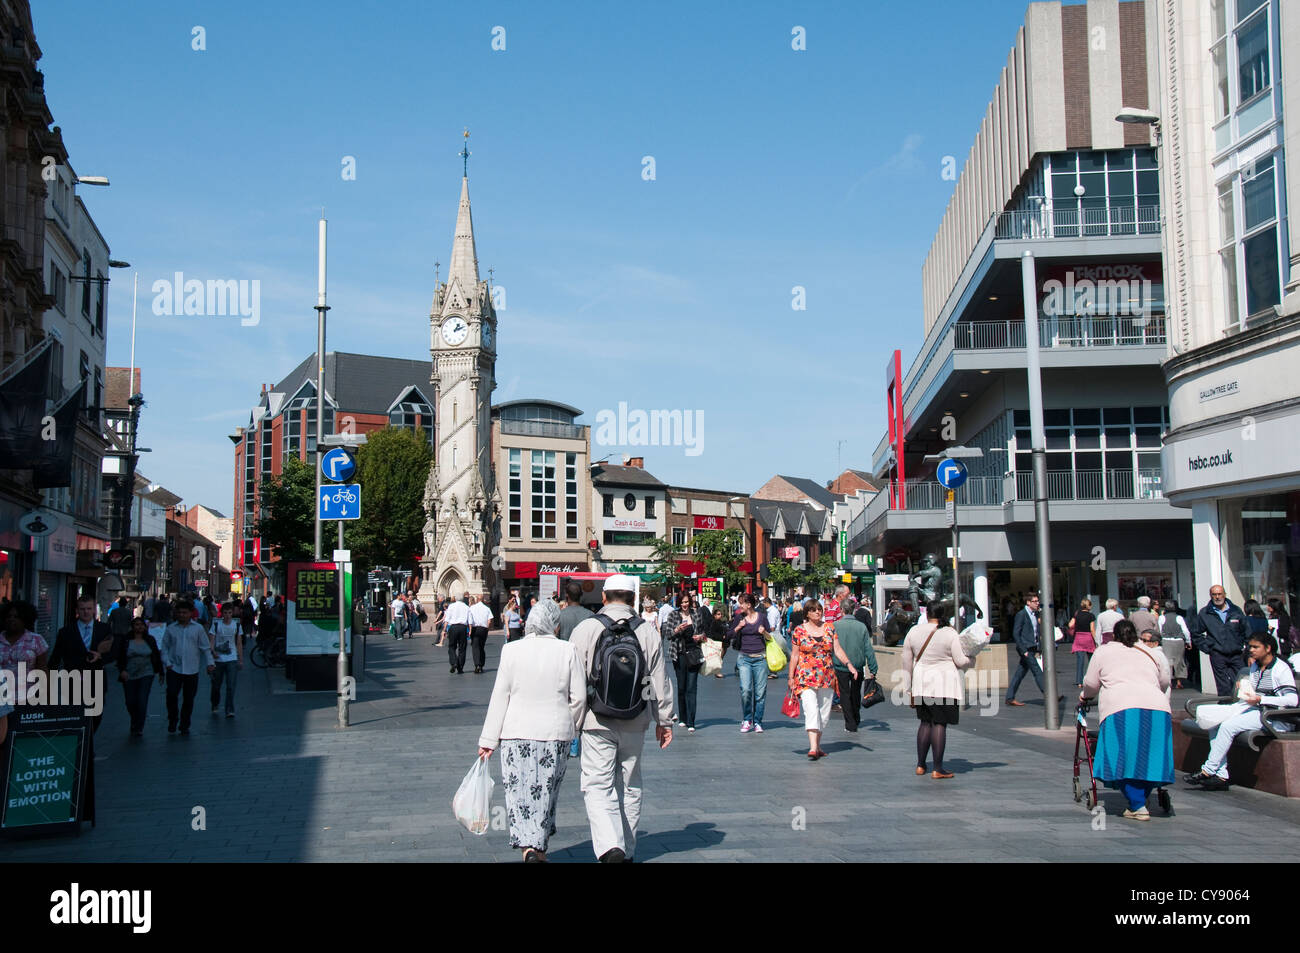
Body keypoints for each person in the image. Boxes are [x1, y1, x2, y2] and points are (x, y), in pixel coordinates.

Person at [569, 575, 676, 863]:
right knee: (631, 782)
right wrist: (664, 720)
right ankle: (627, 849)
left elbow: (576, 684)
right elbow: (659, 680)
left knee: (597, 783)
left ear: (603, 597)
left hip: (596, 719)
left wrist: (573, 723)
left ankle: (609, 846)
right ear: (632, 600)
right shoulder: (647, 631)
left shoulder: (586, 629)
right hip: (635, 717)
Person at [476, 598, 586, 862]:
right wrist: (572, 725)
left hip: (515, 733)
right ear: (554, 625)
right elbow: (579, 697)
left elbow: (500, 696)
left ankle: (527, 846)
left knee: (519, 791)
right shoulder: (567, 650)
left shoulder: (511, 651)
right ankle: (540, 848)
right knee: (546, 790)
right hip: (554, 733)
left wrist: (488, 739)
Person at [1080, 619, 1173, 820]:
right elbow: (1164, 680)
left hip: (1120, 707)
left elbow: (1090, 683)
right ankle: (1141, 798)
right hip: (1157, 706)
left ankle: (1138, 804)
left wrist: (1085, 696)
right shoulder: (1148, 652)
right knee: (1150, 756)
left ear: (1114, 635)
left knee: (1118, 755)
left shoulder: (1104, 652)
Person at [1185, 629, 1298, 791]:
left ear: (1268, 648)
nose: (1251, 650)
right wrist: (1245, 688)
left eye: (1255, 647)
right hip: (1255, 711)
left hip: (1274, 717)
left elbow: (1292, 700)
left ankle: (1208, 770)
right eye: (1250, 646)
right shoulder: (1255, 667)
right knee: (1214, 723)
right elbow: (1253, 692)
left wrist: (1261, 699)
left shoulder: (1281, 669)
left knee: (1228, 726)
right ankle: (1221, 775)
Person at [901, 599, 974, 778]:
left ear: (927, 614)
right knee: (939, 723)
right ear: (943, 614)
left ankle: (920, 764)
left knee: (925, 722)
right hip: (944, 684)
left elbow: (906, 660)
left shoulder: (914, 631)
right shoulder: (950, 633)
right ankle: (938, 767)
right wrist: (971, 659)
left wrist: (907, 686)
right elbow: (960, 661)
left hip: (921, 682)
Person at [787, 598, 852, 759]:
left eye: (820, 609)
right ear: (807, 613)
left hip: (826, 676)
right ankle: (813, 747)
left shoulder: (829, 629)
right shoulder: (799, 631)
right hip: (805, 675)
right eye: (814, 610)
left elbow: (837, 649)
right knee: (811, 709)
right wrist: (790, 677)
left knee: (824, 713)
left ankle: (817, 744)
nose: (818, 612)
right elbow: (794, 655)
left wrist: (849, 664)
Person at [161, 600, 216, 735]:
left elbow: (205, 647)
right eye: (179, 612)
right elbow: (164, 648)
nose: (182, 615)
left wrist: (210, 663)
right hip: (174, 668)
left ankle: (185, 723)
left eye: (185, 612)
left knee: (189, 698)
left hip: (192, 669)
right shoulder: (171, 629)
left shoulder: (197, 629)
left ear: (191, 613)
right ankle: (173, 719)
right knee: (172, 694)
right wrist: (167, 662)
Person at [1188, 585, 1249, 697]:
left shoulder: (1235, 610)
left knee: (1242, 681)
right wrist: (1208, 648)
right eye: (1214, 594)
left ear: (1224, 595)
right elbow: (1196, 633)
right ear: (1210, 596)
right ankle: (1225, 706)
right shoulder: (1205, 613)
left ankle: (1242, 705)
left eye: (1219, 594)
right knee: (1223, 684)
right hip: (1218, 653)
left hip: (1236, 653)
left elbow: (1246, 631)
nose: (1217, 597)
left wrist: (1246, 648)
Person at [728, 592, 773, 732]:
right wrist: (738, 627)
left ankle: (758, 721)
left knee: (760, 693)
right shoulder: (739, 618)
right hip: (744, 658)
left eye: (742, 603)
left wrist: (764, 632)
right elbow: (728, 635)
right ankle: (747, 719)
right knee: (746, 690)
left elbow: (770, 637)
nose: (739, 605)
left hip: (760, 658)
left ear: (749, 604)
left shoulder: (762, 618)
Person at [832, 595, 878, 732]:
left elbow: (830, 647)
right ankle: (856, 717)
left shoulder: (835, 626)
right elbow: (868, 648)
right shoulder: (861, 627)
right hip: (857, 665)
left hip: (840, 665)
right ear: (854, 610)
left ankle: (849, 722)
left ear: (841, 610)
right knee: (856, 692)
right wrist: (873, 667)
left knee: (844, 694)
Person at [115, 616, 164, 737]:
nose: (139, 627)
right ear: (132, 627)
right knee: (130, 701)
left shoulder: (150, 640)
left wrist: (161, 672)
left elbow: (156, 656)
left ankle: (139, 726)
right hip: (129, 673)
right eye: (136, 625)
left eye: (141, 625)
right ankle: (135, 719)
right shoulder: (126, 640)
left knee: (142, 700)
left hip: (147, 672)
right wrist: (122, 670)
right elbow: (120, 656)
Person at [664, 592, 706, 732]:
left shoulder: (696, 614)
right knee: (681, 687)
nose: (685, 605)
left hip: (693, 653)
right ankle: (683, 717)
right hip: (679, 653)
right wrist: (677, 629)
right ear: (678, 603)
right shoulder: (673, 615)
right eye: (682, 602)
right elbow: (668, 634)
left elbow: (703, 632)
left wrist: (700, 636)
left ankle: (691, 721)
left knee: (691, 687)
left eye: (687, 602)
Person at [1006, 592, 1051, 707]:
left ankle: (1009, 697)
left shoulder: (1035, 614)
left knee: (1019, 673)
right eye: (1035, 601)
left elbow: (1036, 632)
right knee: (1037, 671)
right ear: (1028, 602)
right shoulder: (1021, 614)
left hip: (1033, 647)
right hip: (1026, 649)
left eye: (1037, 601)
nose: (1037, 603)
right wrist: (1023, 650)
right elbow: (1016, 633)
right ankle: (1049, 696)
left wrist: (1039, 648)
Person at [207, 602, 244, 718]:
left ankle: (229, 709)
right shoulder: (216, 625)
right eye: (225, 613)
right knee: (216, 685)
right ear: (221, 614)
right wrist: (212, 653)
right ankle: (215, 703)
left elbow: (239, 643)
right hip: (218, 659)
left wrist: (240, 659)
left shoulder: (237, 626)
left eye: (229, 613)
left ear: (232, 613)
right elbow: (211, 641)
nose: (227, 615)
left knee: (231, 685)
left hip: (232, 658)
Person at [1158, 600, 1191, 689]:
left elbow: (1160, 631)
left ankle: (1169, 680)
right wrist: (1188, 641)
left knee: (1168, 661)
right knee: (1179, 661)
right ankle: (1179, 681)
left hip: (1166, 641)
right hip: (1178, 641)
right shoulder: (1179, 618)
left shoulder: (1162, 618)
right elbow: (1185, 631)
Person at [1069, 598, 1098, 688]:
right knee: (1091, 661)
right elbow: (1092, 629)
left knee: (1080, 661)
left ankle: (1079, 681)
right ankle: (1092, 679)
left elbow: (1070, 625)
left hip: (1078, 638)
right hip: (1088, 638)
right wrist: (1096, 640)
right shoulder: (1091, 616)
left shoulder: (1077, 614)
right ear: (1088, 606)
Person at [443, 595, 471, 674]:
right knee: (462, 648)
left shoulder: (451, 606)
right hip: (463, 627)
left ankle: (454, 662)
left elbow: (447, 619)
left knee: (452, 646)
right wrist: (470, 630)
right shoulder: (466, 607)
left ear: (455, 599)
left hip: (453, 627)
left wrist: (444, 630)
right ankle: (460, 667)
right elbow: (470, 620)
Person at [468, 594, 493, 673]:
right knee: (482, 647)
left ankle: (477, 665)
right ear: (483, 600)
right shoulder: (487, 608)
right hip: (483, 629)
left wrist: (470, 630)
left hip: (475, 628)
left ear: (477, 599)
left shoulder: (472, 608)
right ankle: (481, 665)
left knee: (475, 647)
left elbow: (470, 620)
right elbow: (489, 620)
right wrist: (487, 629)